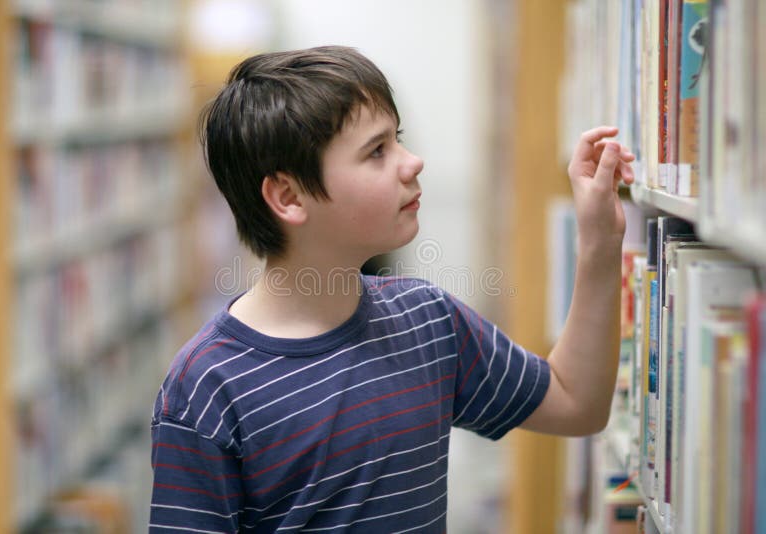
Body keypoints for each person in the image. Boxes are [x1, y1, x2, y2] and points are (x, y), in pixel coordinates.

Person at [149, 45, 636, 533]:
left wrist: (599, 242)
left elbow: (577, 403)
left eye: (397, 139)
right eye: (377, 151)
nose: (413, 162)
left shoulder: (428, 321)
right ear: (289, 196)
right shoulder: (207, 388)